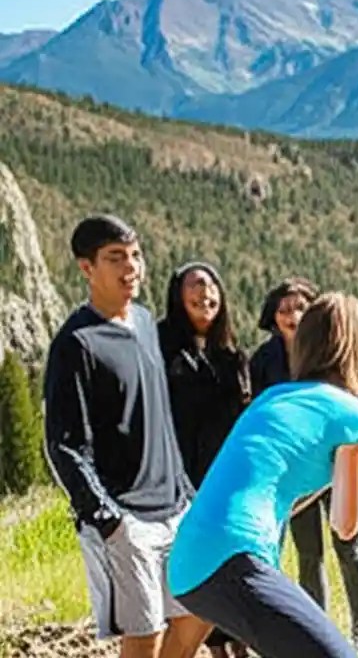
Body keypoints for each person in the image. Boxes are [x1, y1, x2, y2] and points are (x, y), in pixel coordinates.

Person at [168, 292, 358, 658]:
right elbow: (345, 525)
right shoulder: (352, 415)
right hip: (236, 558)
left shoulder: (273, 397)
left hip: (188, 560)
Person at [43, 214, 207, 658]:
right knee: (146, 634)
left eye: (135, 255)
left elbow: (159, 418)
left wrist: (186, 492)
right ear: (86, 268)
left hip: (174, 507)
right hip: (126, 517)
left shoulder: (145, 322)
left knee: (199, 613)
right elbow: (63, 443)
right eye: (116, 257)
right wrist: (107, 518)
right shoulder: (76, 344)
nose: (131, 267)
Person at [249, 278, 358, 656]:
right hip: (296, 471)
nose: (292, 314)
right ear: (272, 317)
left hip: (339, 462)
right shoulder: (262, 361)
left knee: (349, 543)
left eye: (300, 306)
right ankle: (317, 631)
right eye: (284, 308)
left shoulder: (332, 355)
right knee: (309, 554)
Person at [157, 262, 254, 658]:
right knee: (196, 567)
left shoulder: (231, 356)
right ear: (178, 296)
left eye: (212, 286)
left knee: (231, 562)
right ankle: (213, 648)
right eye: (195, 287)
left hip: (226, 479)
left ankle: (238, 644)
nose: (205, 295)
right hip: (179, 479)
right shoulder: (160, 348)